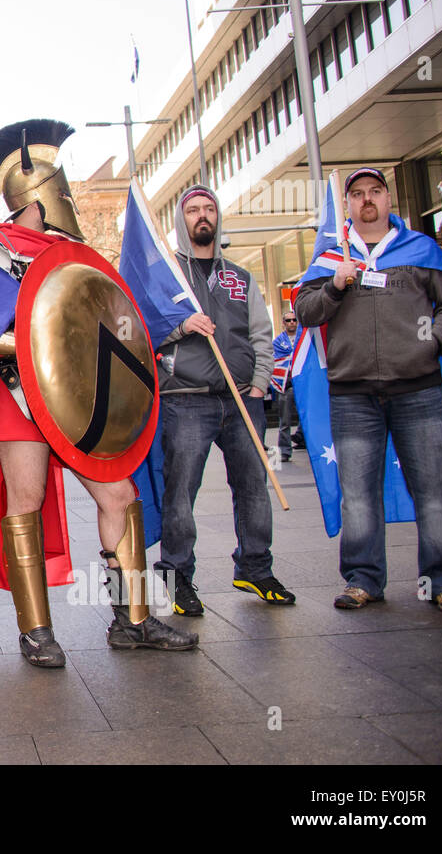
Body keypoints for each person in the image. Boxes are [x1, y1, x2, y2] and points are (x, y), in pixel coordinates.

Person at [0, 119, 198, 667]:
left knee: (120, 497)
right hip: (16, 395)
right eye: (59, 189)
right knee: (26, 503)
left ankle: (133, 619)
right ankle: (36, 630)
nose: (68, 197)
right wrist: (34, 351)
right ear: (34, 198)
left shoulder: (74, 255)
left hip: (85, 398)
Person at [294, 167, 442, 613]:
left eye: (375, 191)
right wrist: (335, 286)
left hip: (418, 390)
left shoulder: (420, 249)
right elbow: (306, 310)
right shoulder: (332, 258)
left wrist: (434, 341)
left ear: (388, 200)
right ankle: (363, 580)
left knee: (434, 490)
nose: (366, 199)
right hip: (352, 395)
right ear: (349, 204)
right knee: (357, 494)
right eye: (357, 194)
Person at [154, 185, 294, 613]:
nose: (201, 216)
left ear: (217, 217)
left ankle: (255, 567)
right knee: (181, 493)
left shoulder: (240, 276)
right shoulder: (165, 276)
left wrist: (259, 383)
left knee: (254, 487)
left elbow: (260, 332)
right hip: (186, 398)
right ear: (181, 220)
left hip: (241, 399)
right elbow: (139, 326)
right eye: (192, 209)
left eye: (208, 208)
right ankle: (177, 577)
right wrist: (180, 326)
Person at [271, 310, 303, 462]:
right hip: (287, 384)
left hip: (303, 383)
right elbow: (276, 362)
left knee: (308, 416)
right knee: (284, 421)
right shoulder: (278, 342)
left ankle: (304, 440)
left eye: (294, 320)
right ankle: (284, 450)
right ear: (283, 323)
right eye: (288, 320)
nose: (292, 322)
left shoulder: (303, 340)